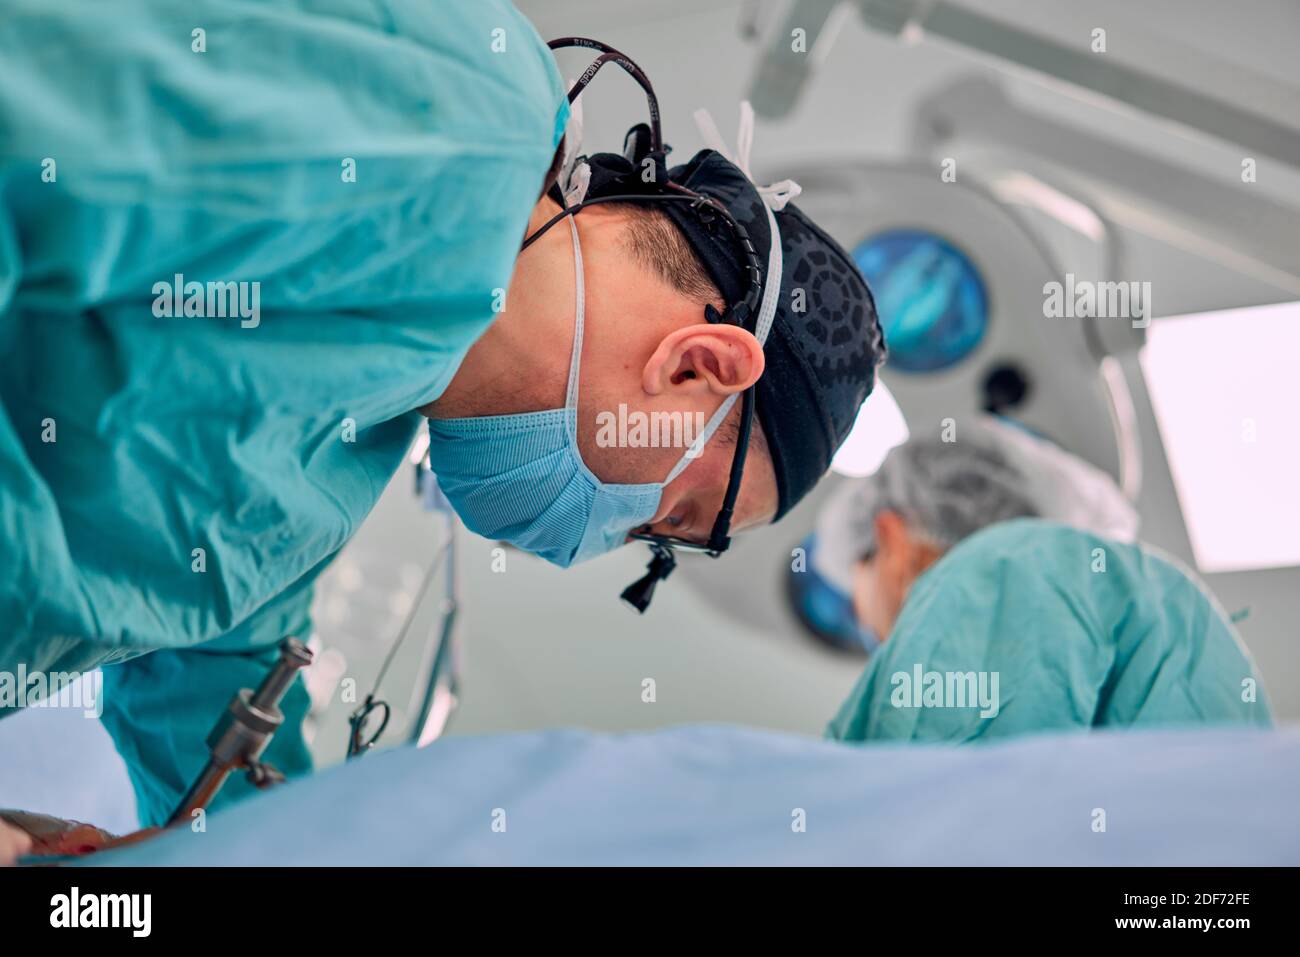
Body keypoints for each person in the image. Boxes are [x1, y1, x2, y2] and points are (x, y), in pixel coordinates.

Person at [0, 1, 885, 829]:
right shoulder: (457, 117)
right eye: (673, 518)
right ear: (699, 365)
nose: (607, 542)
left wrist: (277, 851)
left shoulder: (353, 442)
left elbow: (209, 658)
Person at [816, 416, 1272, 742]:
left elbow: (942, 812)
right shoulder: (1141, 594)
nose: (866, 622)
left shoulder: (991, 580)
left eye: (857, 576)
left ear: (891, 539)